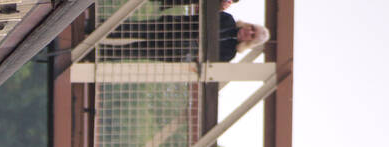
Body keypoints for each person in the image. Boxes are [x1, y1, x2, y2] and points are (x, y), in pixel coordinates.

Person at [98, 5, 269, 63]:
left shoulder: (230, 53)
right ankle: (94, 28)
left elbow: (204, 60)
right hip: (170, 27)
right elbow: (202, 16)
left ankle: (96, 53)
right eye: (252, 28)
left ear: (251, 42)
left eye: (253, 35)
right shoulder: (227, 19)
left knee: (132, 52)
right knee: (130, 29)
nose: (249, 32)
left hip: (172, 51)